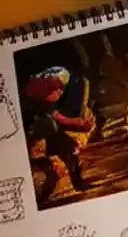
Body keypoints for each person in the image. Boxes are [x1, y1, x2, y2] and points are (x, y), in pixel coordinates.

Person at [24, 66, 95, 200]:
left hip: (48, 137)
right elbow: (51, 123)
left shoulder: (45, 104)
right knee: (50, 172)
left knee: (70, 154)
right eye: (56, 87)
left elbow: (58, 117)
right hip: (34, 147)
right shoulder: (31, 107)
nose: (60, 92)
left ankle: (78, 184)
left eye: (62, 88)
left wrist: (78, 124)